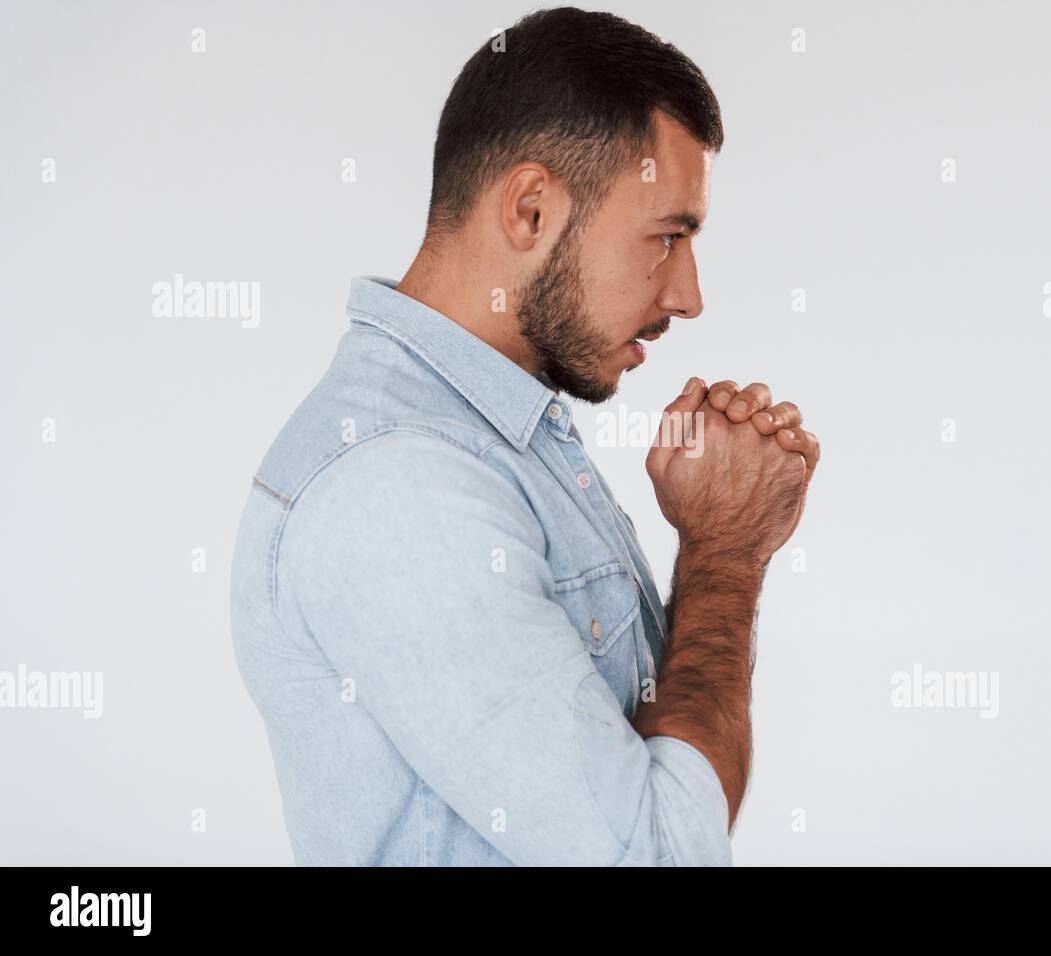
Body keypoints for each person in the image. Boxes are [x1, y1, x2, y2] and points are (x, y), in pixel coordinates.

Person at [230, 6, 820, 866]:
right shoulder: (402, 487)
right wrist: (725, 549)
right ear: (532, 210)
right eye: (667, 237)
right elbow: (660, 854)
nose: (690, 296)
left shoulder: (500, 434)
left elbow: (645, 779)